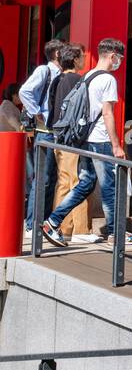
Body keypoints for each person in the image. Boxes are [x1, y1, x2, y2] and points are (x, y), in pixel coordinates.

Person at [42, 37, 132, 248]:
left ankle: (52, 222)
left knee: (85, 184)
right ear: (113, 56)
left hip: (84, 140)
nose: (120, 63)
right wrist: (116, 144)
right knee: (109, 187)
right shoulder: (107, 80)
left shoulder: (87, 77)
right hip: (100, 140)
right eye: (120, 58)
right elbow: (107, 113)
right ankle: (116, 234)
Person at [46, 44, 95, 241]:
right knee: (80, 182)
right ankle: (81, 230)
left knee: (63, 183)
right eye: (82, 56)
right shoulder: (78, 81)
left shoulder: (57, 80)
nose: (84, 59)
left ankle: (63, 228)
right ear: (75, 60)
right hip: (74, 139)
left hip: (58, 137)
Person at [21, 39, 62, 234]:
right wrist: (37, 112)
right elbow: (25, 91)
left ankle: (42, 222)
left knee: (51, 179)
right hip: (44, 133)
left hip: (53, 133)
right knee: (43, 179)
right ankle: (31, 224)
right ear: (56, 54)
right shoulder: (44, 71)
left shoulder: (59, 73)